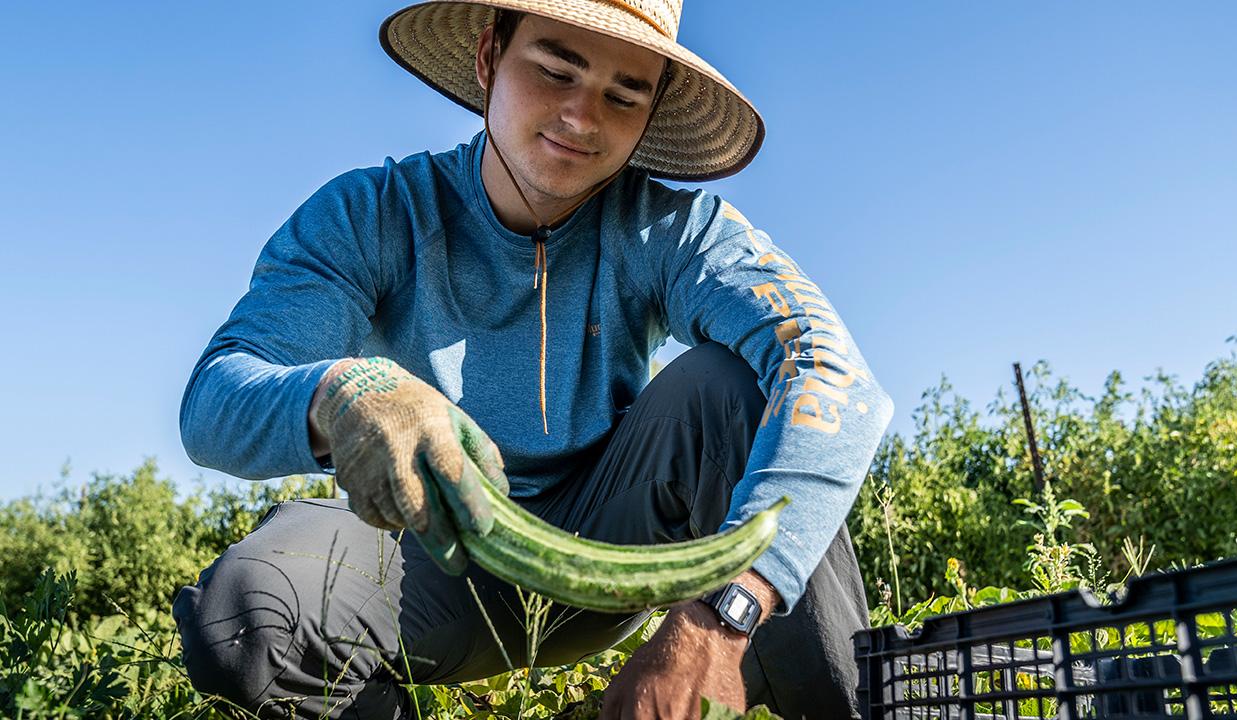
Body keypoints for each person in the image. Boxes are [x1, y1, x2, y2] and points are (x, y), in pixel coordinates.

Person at [174, 0, 894, 717]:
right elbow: (216, 397)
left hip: (611, 543)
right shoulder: (374, 214)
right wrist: (344, 392)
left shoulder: (673, 231)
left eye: (624, 94)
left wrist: (727, 609)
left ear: (651, 113)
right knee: (247, 609)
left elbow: (832, 372)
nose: (582, 118)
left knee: (732, 386)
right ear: (490, 58)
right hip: (433, 554)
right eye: (556, 71)